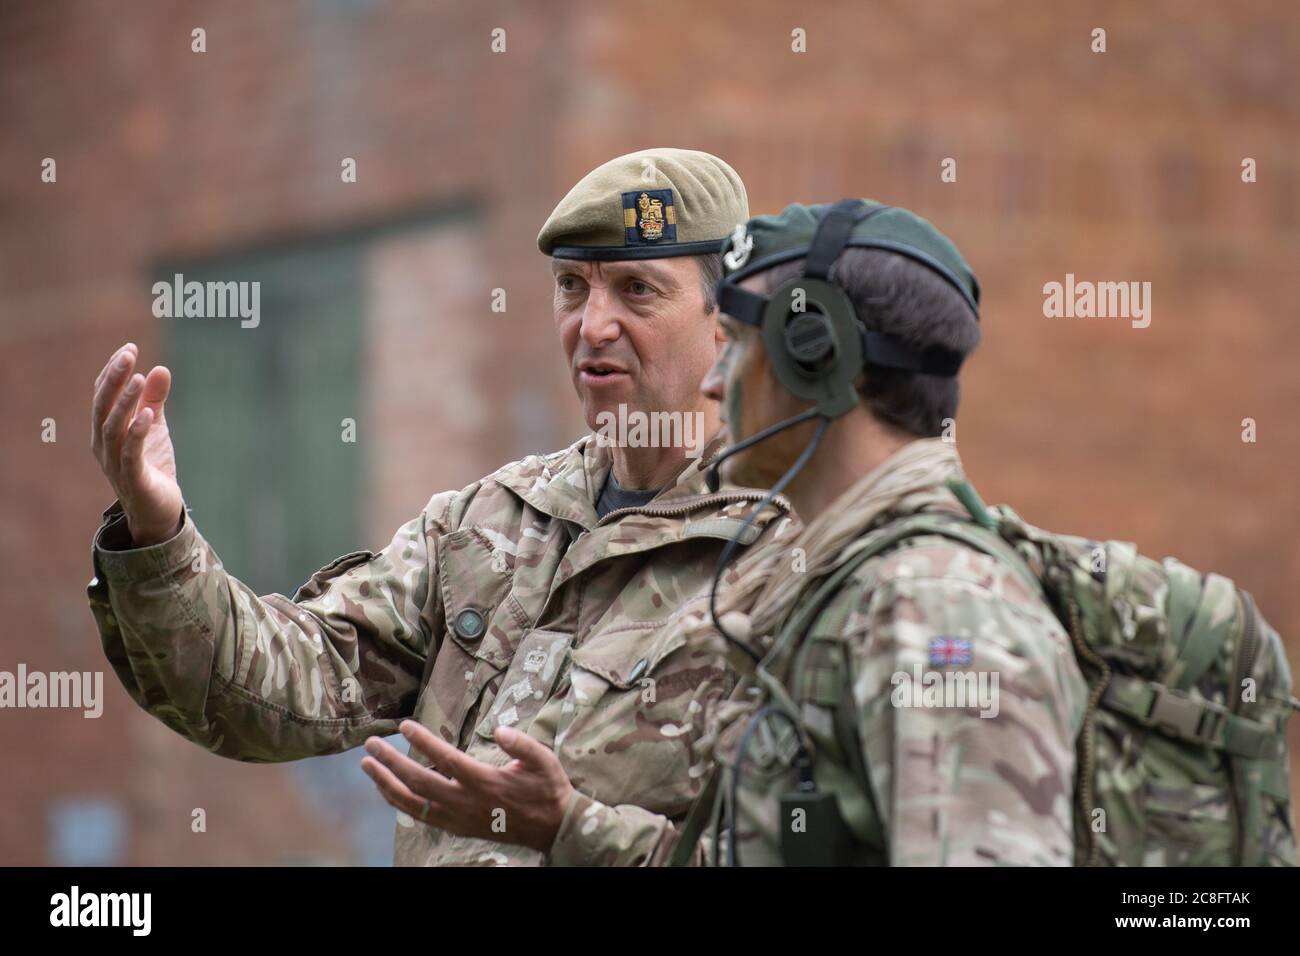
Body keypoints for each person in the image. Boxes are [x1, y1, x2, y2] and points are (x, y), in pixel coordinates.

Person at [85, 148, 796, 866]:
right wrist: (158, 530)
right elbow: (270, 691)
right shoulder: (491, 523)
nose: (593, 325)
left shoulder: (786, 553)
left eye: (637, 290)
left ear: (727, 320)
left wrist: (569, 829)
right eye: (573, 287)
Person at [533, 199, 1089, 865]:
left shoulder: (939, 610)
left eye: (736, 346)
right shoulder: (849, 586)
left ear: (818, 358)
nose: (713, 384)